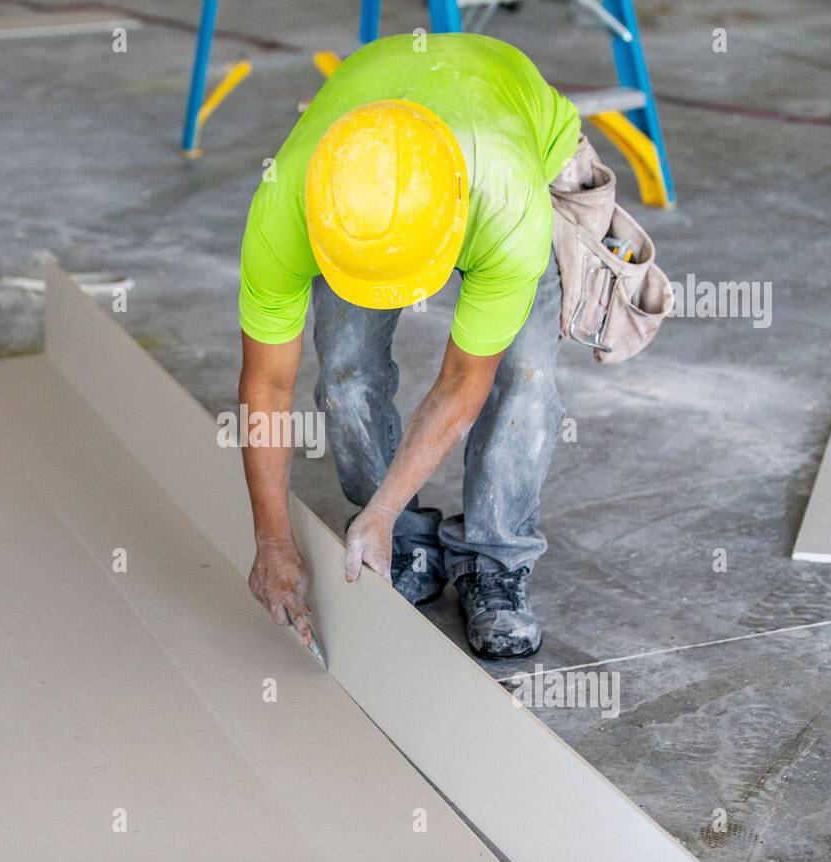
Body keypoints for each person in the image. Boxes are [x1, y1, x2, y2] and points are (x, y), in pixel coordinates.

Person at [238, 33, 579, 659]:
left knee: (524, 378)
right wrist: (271, 541)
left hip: (503, 124)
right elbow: (267, 386)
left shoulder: (508, 205)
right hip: (377, 121)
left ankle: (493, 560)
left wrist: (382, 504)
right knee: (344, 375)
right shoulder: (286, 209)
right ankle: (399, 535)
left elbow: (462, 381)